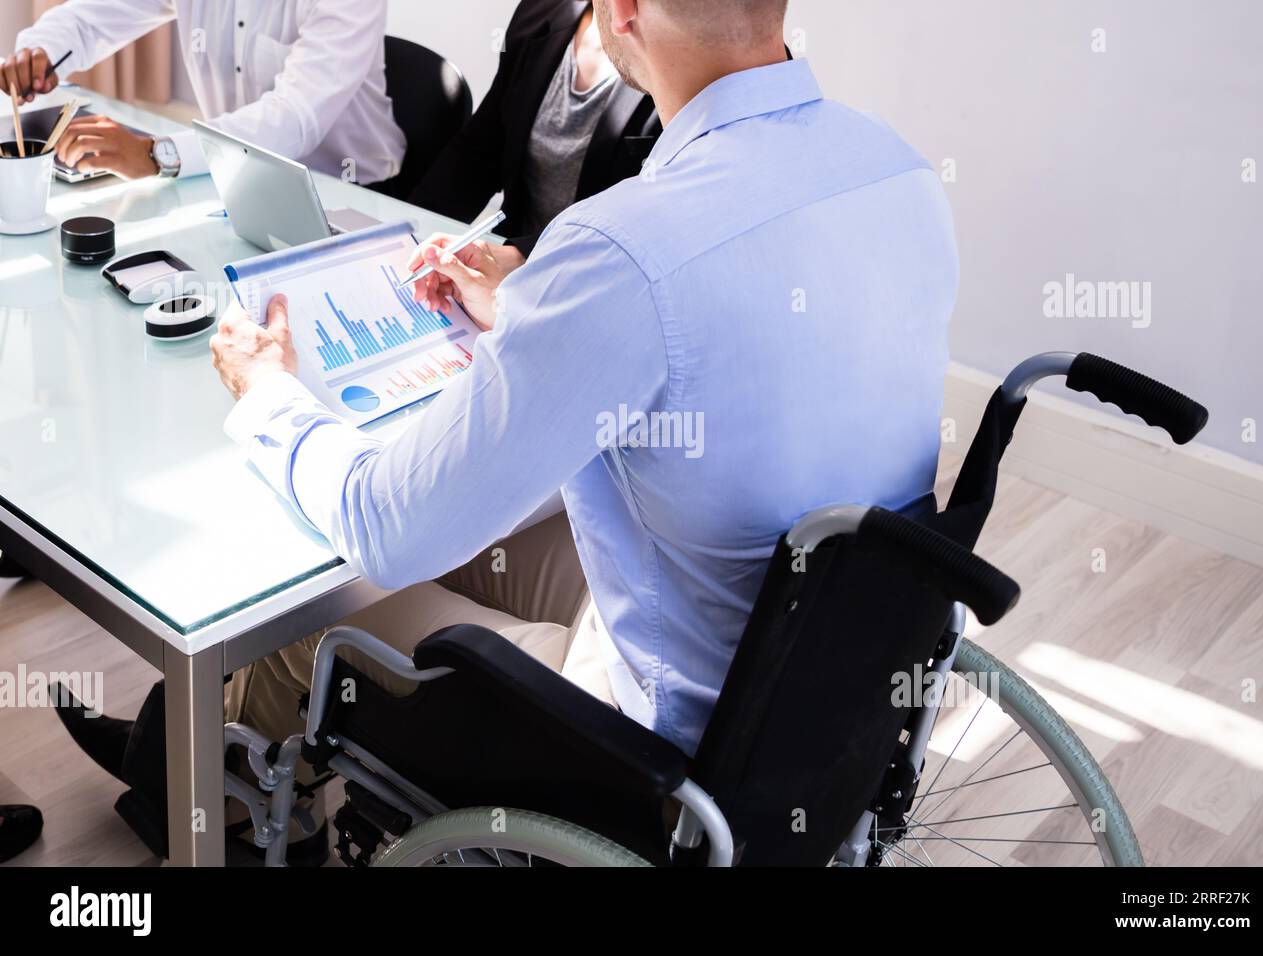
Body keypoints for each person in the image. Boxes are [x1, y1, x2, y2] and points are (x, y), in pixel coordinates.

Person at [68, 0, 958, 848]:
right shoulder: (900, 170)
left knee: (318, 599)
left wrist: (268, 396)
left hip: (657, 749)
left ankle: (208, 798)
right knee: (469, 524)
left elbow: (386, 528)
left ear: (623, 17)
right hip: (825, 679)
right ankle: (205, 769)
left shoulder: (628, 244)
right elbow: (741, 348)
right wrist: (542, 305)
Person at [4, 0, 404, 185]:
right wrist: (39, 51)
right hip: (234, 177)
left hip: (350, 190)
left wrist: (158, 154)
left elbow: (295, 119)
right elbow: (89, 18)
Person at [409, 0, 661, 263]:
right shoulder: (541, 11)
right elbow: (480, 152)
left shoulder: (677, 53)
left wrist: (522, 256)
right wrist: (408, 230)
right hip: (508, 261)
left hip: (600, 274)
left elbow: (650, 219)